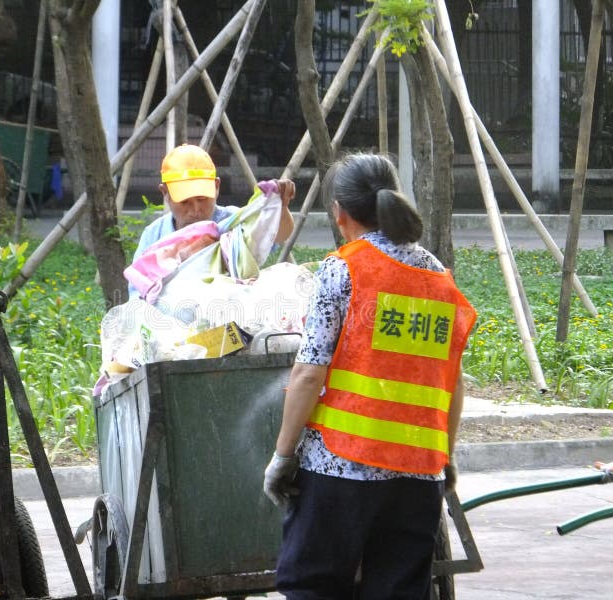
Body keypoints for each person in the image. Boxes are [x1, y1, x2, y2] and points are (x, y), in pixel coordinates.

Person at [263, 152, 476, 599]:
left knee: (313, 586)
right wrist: (446, 457)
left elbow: (307, 374)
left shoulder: (343, 269)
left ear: (339, 213)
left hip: (342, 469)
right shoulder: (440, 279)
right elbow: (452, 381)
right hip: (418, 475)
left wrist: (283, 457)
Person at [131, 143, 295, 263]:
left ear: (216, 187)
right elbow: (138, 291)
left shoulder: (234, 222)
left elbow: (278, 236)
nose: (195, 209)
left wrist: (281, 206)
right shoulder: (154, 235)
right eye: (185, 201)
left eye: (202, 199)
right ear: (165, 193)